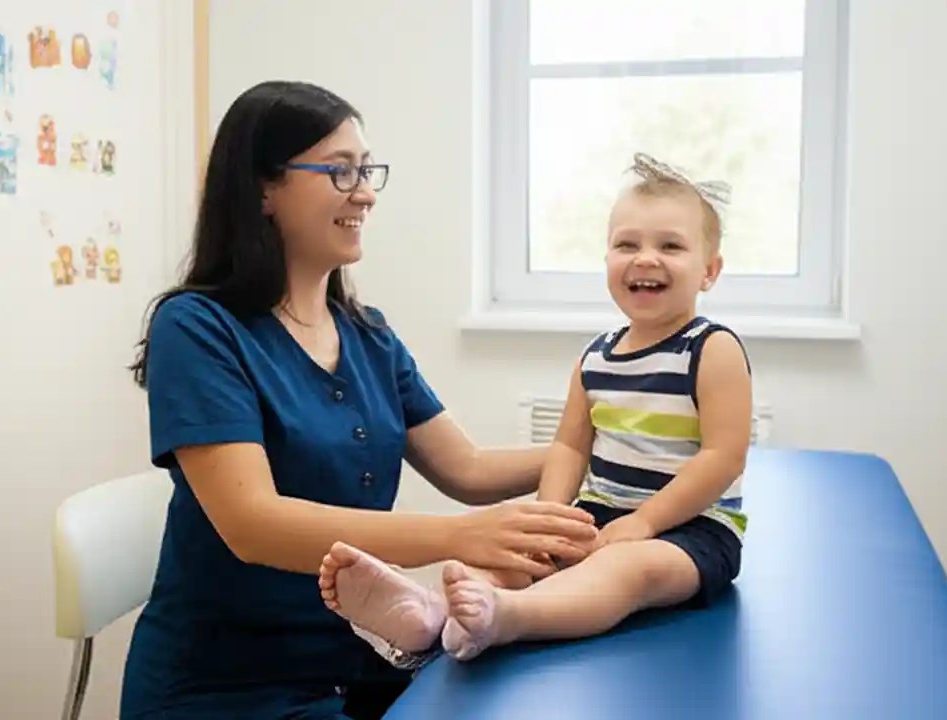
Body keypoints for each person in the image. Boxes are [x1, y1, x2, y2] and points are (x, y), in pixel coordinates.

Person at [118, 79, 599, 719]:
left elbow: (469, 468)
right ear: (264, 189)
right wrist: (459, 537)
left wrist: (602, 446)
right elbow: (254, 525)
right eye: (340, 171)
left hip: (345, 663)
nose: (365, 192)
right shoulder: (199, 329)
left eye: (367, 170)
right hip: (224, 688)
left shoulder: (367, 334)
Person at [319, 152, 752, 662]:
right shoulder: (597, 356)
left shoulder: (711, 348)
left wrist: (645, 523)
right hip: (601, 513)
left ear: (710, 271)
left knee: (625, 571)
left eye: (671, 246)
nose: (645, 258)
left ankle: (509, 617)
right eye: (626, 245)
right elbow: (569, 445)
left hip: (692, 530)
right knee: (519, 557)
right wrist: (548, 518)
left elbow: (723, 458)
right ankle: (432, 614)